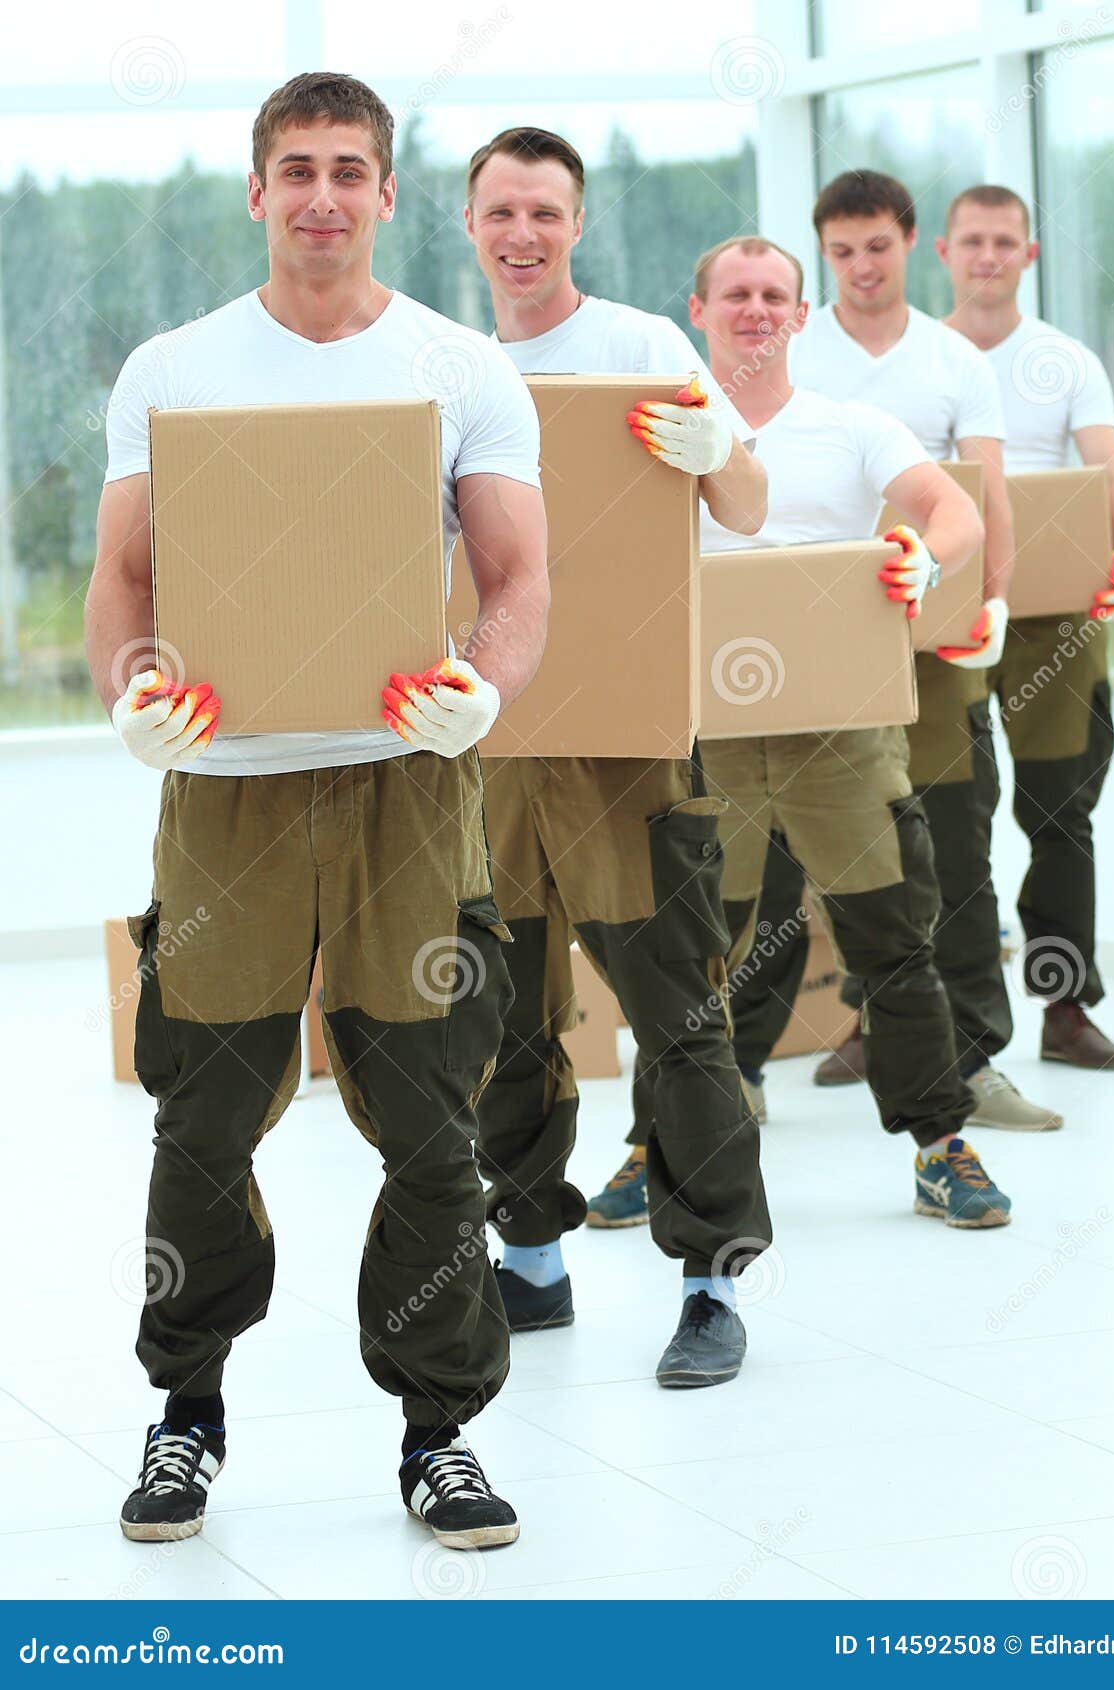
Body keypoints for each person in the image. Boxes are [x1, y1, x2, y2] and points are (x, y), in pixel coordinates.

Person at [87, 73, 549, 1551]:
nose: (323, 195)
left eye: (351, 168)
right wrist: (126, 691)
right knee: (204, 1117)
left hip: (408, 789)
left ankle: (440, 1431)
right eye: (296, 168)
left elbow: (519, 578)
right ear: (256, 190)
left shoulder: (460, 364)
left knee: (431, 1123)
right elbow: (127, 579)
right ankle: (189, 1408)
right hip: (225, 793)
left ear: (390, 193)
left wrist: (487, 689)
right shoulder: (174, 366)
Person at [591, 235, 1015, 1230]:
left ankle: (940, 1143)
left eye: (773, 295)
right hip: (708, 738)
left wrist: (926, 557)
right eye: (734, 294)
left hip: (844, 734)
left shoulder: (853, 426)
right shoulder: (664, 433)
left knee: (896, 943)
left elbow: (957, 512)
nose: (754, 310)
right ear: (697, 310)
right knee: (690, 960)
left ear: (800, 313)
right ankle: (656, 1146)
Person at [463, 127, 773, 1387]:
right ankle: (532, 1262)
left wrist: (719, 451)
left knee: (681, 1020)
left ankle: (710, 1284)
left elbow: (745, 507)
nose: (523, 233)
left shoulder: (643, 344)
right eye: (501, 212)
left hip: (632, 749)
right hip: (489, 747)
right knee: (501, 1020)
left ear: (576, 223)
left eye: (545, 211)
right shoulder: (447, 363)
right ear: (471, 221)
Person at [728, 170, 1061, 1133]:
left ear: (909, 243)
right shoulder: (793, 342)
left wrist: (990, 599)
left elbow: (983, 493)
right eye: (840, 252)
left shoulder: (953, 358)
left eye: (876, 246)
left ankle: (969, 1062)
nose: (861, 267)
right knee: (772, 865)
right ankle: (744, 1064)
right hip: (795, 650)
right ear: (818, 260)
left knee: (949, 843)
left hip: (930, 625)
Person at [938, 183, 1114, 1069]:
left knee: (1058, 813)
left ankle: (1065, 1011)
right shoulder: (919, 356)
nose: (987, 255)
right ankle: (909, 1020)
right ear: (941, 253)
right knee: (935, 818)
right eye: (971, 241)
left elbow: (1110, 468)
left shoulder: (1063, 359)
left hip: (1052, 616)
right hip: (946, 607)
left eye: (1004, 242)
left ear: (1028, 255)